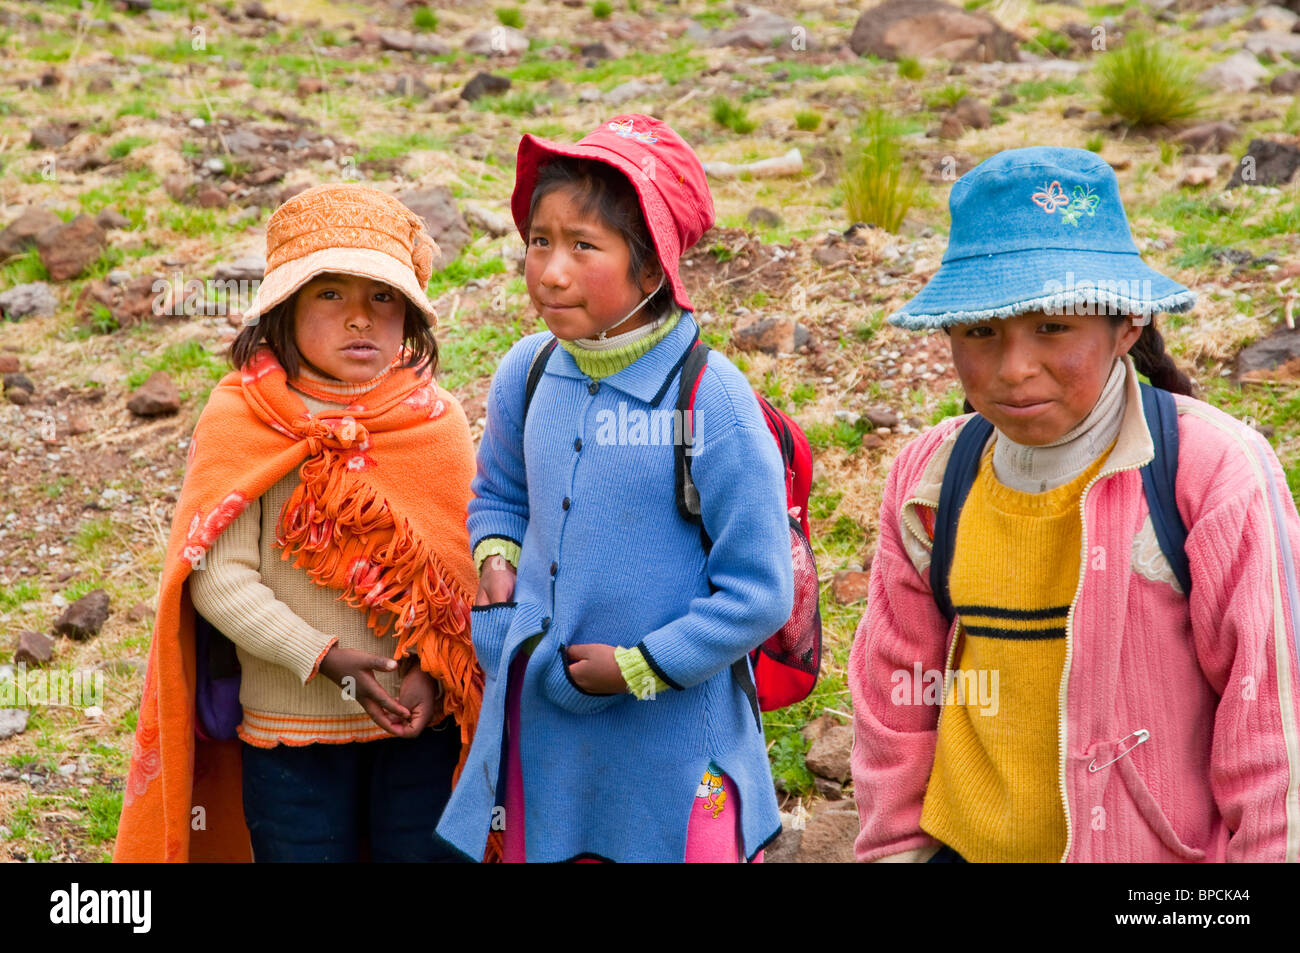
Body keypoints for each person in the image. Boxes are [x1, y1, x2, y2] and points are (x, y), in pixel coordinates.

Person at [850, 146, 1300, 863]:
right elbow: (894, 695)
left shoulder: (1213, 473)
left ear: (1126, 326)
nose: (1013, 366)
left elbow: (1270, 723)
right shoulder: (932, 476)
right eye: (980, 331)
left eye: (1053, 327)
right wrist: (896, 850)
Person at [435, 114, 794, 862]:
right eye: (540, 240)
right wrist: (499, 574)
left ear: (654, 269)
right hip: (548, 731)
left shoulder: (709, 401)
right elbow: (499, 494)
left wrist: (639, 667)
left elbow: (759, 591)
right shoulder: (529, 372)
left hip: (673, 738)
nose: (550, 270)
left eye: (583, 246)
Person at [114, 183, 480, 862]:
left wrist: (436, 671)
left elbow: (455, 579)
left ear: (411, 315)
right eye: (330, 294)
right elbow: (218, 577)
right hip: (290, 734)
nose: (360, 319)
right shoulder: (243, 421)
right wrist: (324, 658)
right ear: (282, 308)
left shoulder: (435, 424)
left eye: (382, 296)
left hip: (418, 728)